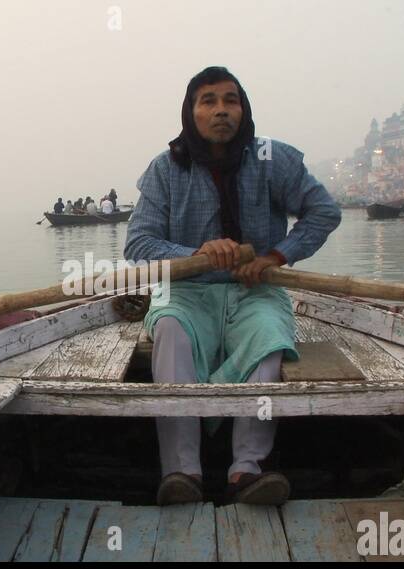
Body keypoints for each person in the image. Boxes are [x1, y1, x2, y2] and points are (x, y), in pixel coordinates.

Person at [124, 66, 341, 506]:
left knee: (270, 335)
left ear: (243, 110)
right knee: (169, 331)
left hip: (255, 290)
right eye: (208, 101)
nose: (221, 110)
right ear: (191, 112)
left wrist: (274, 257)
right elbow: (139, 245)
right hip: (188, 291)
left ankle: (246, 469)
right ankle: (181, 470)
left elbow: (324, 212)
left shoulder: (273, 158)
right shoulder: (165, 169)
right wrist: (198, 253)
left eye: (231, 100)